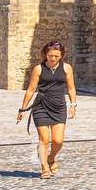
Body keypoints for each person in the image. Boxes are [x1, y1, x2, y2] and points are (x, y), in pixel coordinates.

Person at [17, 40, 77, 180]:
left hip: (59, 107)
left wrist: (73, 105)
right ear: (46, 54)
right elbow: (31, 89)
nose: (53, 58)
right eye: (51, 55)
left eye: (56, 56)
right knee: (44, 139)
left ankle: (51, 158)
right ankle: (44, 168)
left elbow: (71, 88)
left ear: (61, 55)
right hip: (41, 106)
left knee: (58, 141)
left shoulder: (66, 68)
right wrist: (22, 109)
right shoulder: (39, 69)